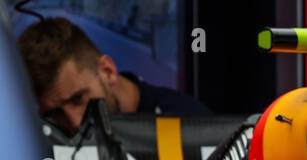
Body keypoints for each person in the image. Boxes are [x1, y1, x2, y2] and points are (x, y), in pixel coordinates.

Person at [18, 16, 210, 135]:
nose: (75, 123)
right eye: (54, 113)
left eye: (78, 99)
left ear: (107, 71)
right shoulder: (42, 141)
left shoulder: (191, 123)